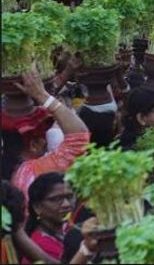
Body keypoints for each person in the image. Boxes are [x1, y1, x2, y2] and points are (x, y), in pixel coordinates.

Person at [2, 69, 89, 205]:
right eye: (45, 134)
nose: (47, 138)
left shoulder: (11, 172)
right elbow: (79, 136)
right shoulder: (35, 170)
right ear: (34, 145)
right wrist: (42, 95)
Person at [23, 173, 97, 264]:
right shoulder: (39, 245)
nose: (67, 204)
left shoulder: (71, 230)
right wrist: (86, 250)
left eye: (70, 197)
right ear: (37, 207)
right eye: (56, 199)